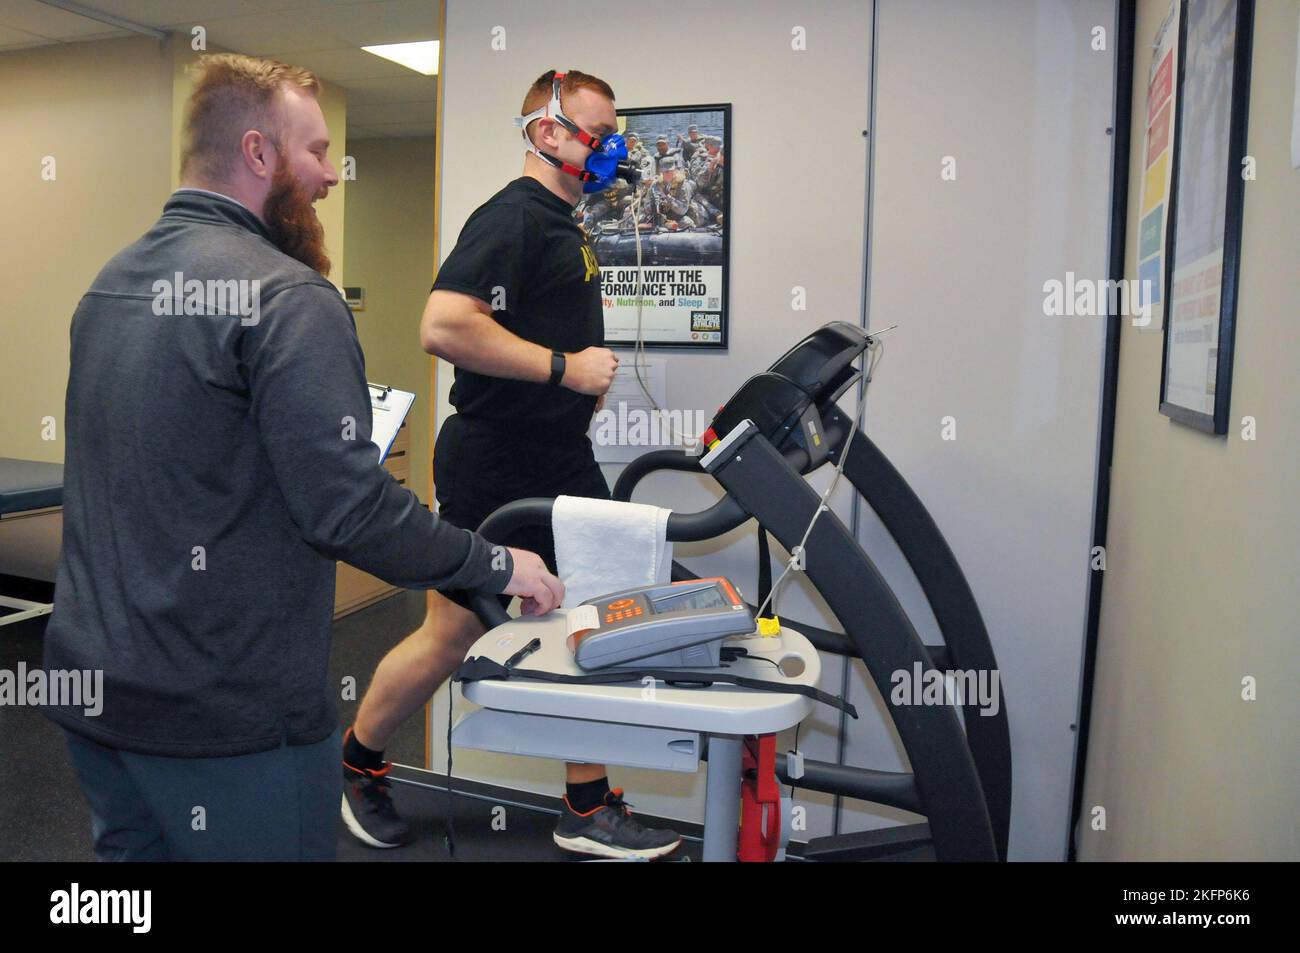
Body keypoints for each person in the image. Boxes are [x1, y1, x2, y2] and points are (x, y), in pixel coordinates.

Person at [41, 54, 561, 862]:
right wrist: (495, 562)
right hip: (222, 712)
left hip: (99, 692)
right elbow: (351, 509)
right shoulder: (289, 297)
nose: (331, 175)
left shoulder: (112, 281)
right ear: (258, 154)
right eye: (316, 152)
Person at [341, 69, 683, 860]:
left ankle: (586, 802)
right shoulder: (513, 217)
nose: (612, 149)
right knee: (454, 633)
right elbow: (445, 324)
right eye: (600, 134)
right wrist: (565, 370)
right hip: (497, 462)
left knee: (591, 617)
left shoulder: (570, 223)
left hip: (559, 458)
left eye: (614, 135)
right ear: (549, 133)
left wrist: (570, 389)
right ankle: (359, 760)